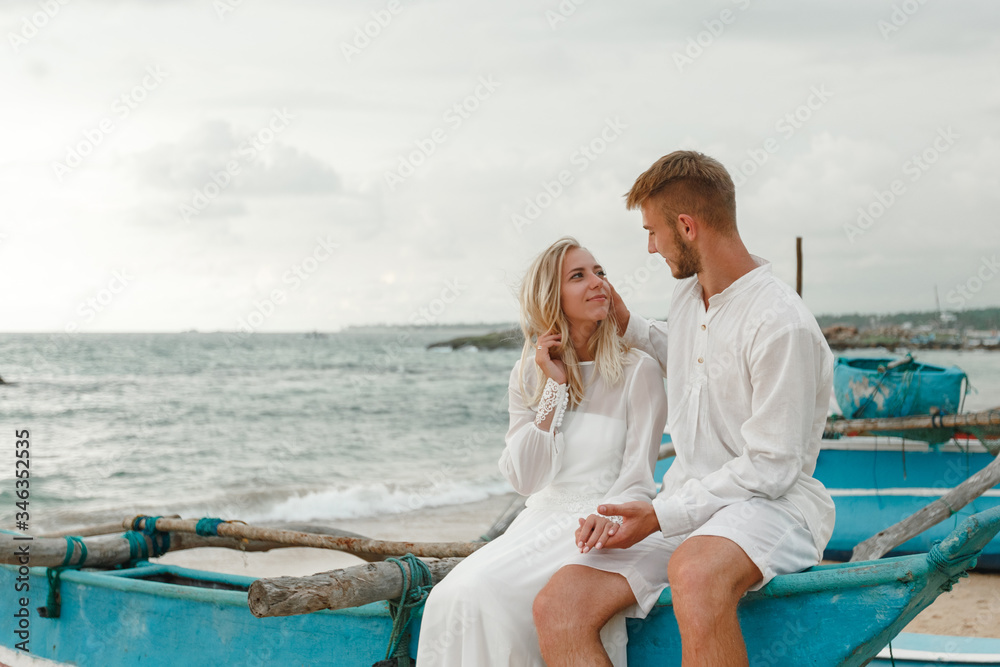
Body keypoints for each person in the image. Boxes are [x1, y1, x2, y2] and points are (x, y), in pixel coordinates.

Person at [533, 151, 836, 667]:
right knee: (559, 603)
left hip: (776, 507)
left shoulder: (780, 323)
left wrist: (659, 514)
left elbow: (771, 467)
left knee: (696, 570)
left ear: (687, 227)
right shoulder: (691, 298)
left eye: (653, 232)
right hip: (691, 503)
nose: (651, 247)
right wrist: (630, 325)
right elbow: (695, 359)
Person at [417, 237, 668, 666]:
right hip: (537, 521)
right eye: (579, 276)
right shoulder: (527, 374)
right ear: (552, 298)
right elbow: (526, 479)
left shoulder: (636, 370)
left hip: (600, 525)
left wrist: (609, 518)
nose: (598, 282)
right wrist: (553, 390)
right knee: (453, 595)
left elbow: (638, 476)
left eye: (600, 272)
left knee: (496, 598)